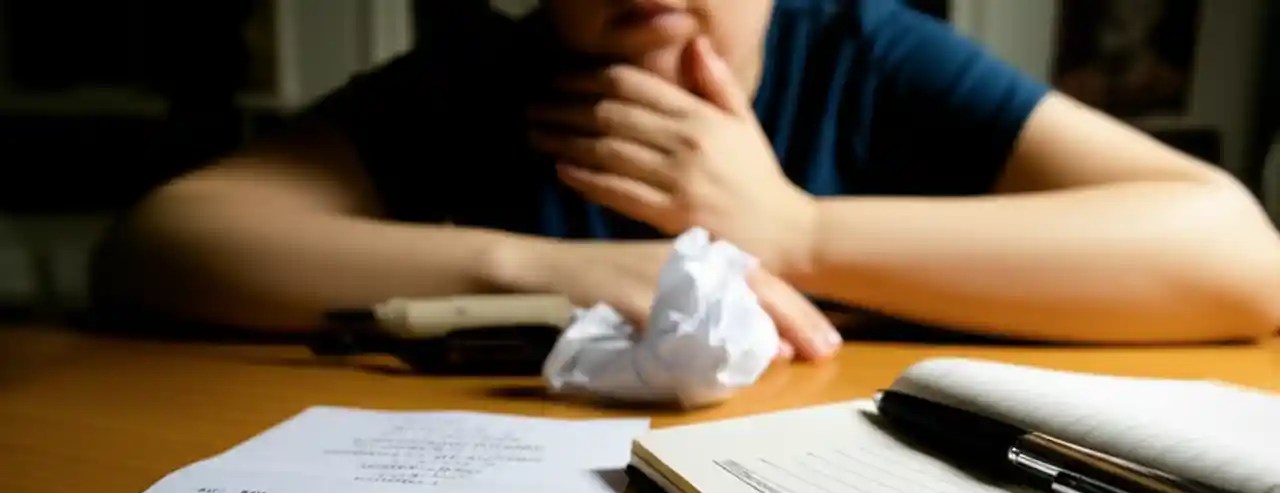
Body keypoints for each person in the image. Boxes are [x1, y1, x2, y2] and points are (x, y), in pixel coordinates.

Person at [96, 0, 1280, 361]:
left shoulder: (869, 54)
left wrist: (794, 229)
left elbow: (1238, 256)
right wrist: (557, 268)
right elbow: (166, 239)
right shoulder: (478, 79)